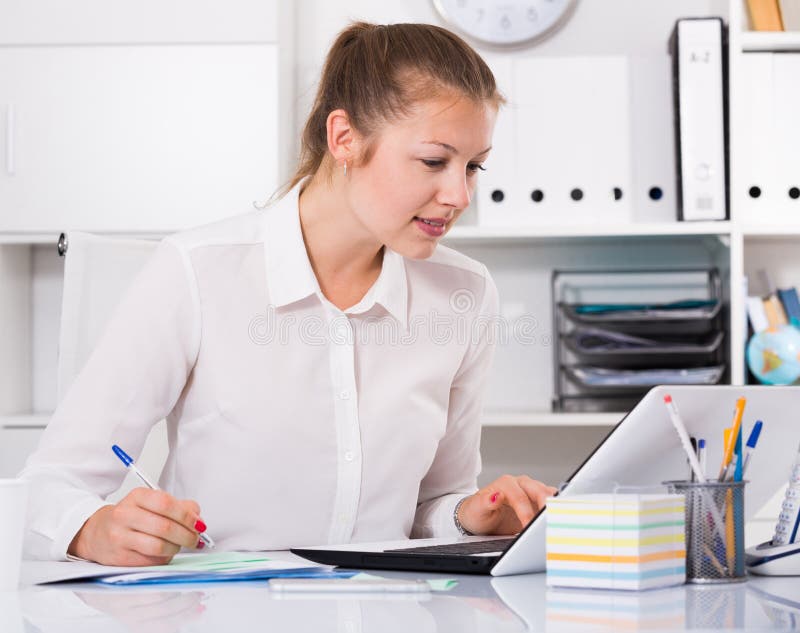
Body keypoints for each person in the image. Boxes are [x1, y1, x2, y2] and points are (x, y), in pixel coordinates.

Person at [20, 22, 556, 566]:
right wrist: (92, 529)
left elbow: (431, 505)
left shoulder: (463, 294)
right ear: (344, 138)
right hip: (218, 609)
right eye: (435, 161)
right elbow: (49, 485)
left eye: (474, 166)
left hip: (387, 609)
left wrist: (470, 516)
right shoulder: (198, 271)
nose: (459, 194)